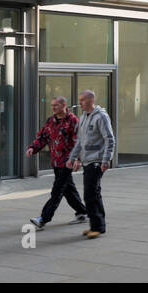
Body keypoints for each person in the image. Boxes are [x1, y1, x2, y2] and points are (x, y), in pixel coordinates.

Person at [26, 96, 89, 229]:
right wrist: (33, 148)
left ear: (63, 105)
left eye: (56, 105)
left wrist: (78, 159)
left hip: (68, 162)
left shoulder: (73, 121)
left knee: (57, 190)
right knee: (68, 190)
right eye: (52, 105)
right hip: (56, 161)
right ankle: (83, 212)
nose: (53, 108)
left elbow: (80, 141)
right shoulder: (51, 121)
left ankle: (43, 218)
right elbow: (43, 137)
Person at [67, 90, 114, 239]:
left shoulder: (101, 117)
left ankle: (97, 227)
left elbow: (109, 139)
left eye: (82, 100)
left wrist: (106, 160)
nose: (80, 103)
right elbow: (80, 141)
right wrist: (73, 158)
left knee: (90, 194)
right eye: (80, 100)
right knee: (94, 194)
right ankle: (98, 225)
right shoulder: (83, 117)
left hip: (97, 161)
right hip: (87, 160)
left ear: (90, 100)